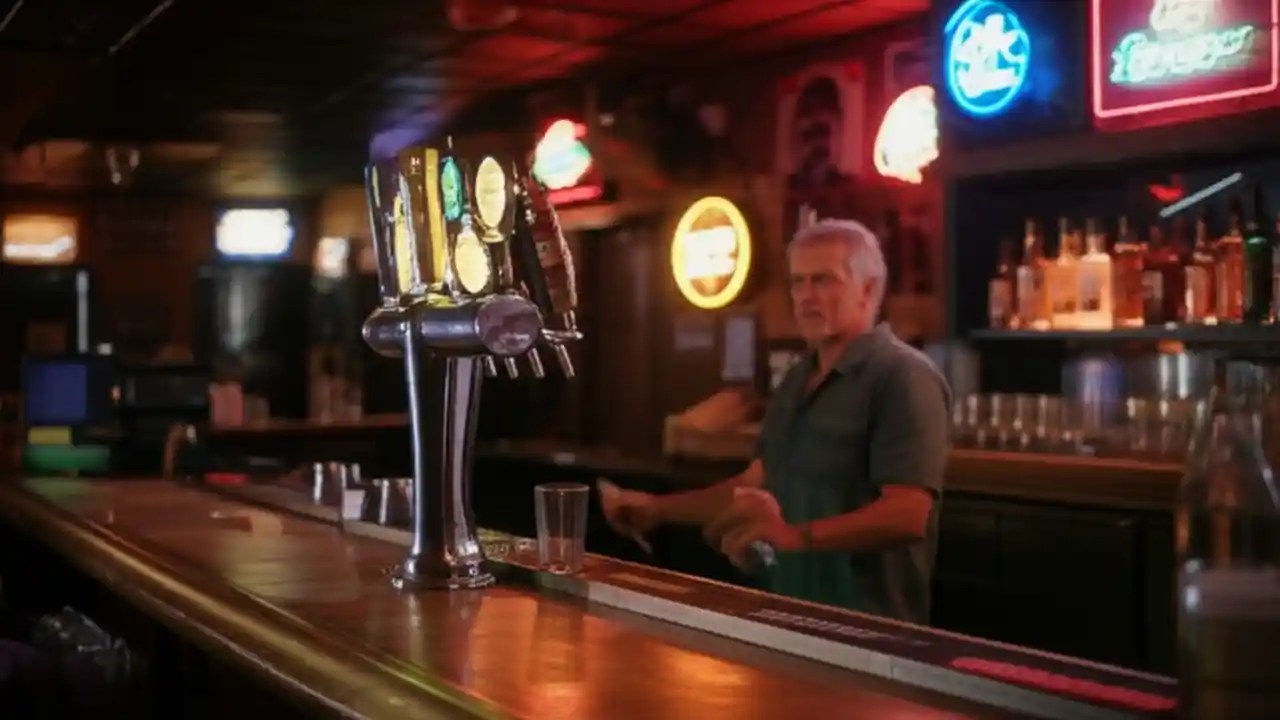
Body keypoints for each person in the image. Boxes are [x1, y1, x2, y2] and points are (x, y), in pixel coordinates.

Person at [603, 219, 951, 625]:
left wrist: (792, 537)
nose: (805, 297)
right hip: (789, 622)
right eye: (798, 282)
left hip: (872, 636)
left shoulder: (902, 375)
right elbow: (755, 482)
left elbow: (907, 515)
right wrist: (656, 510)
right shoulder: (797, 379)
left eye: (823, 281)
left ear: (869, 290)